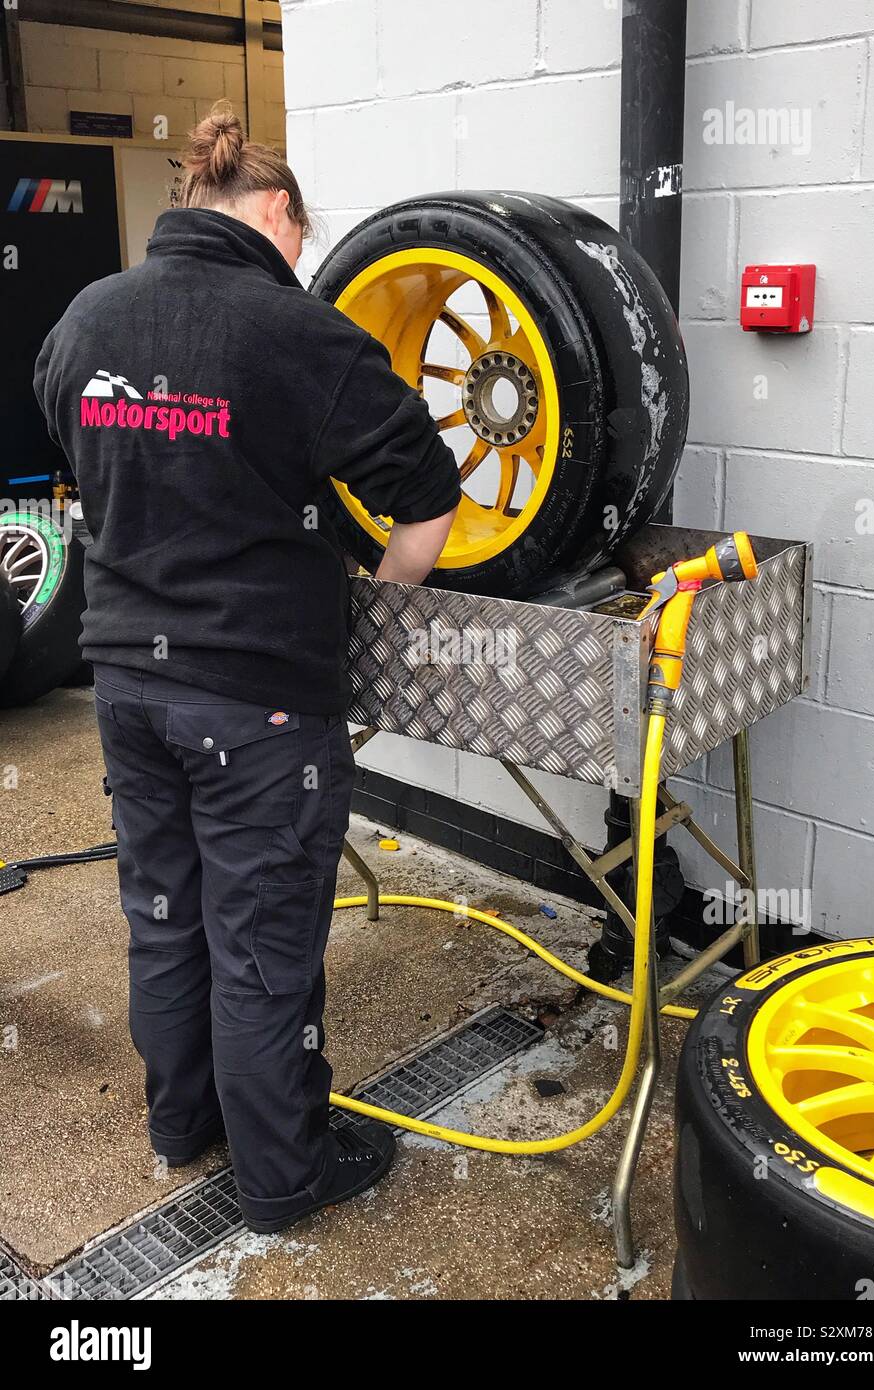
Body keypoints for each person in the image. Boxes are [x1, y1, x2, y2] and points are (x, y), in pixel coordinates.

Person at [33, 104, 461, 1234]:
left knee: (167, 917)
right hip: (260, 704)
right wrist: (376, 605)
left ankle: (183, 1127)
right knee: (263, 943)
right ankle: (282, 1176)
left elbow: (81, 459)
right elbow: (427, 496)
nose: (302, 264)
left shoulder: (85, 320)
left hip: (125, 688)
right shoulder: (294, 331)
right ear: (277, 213)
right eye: (303, 243)